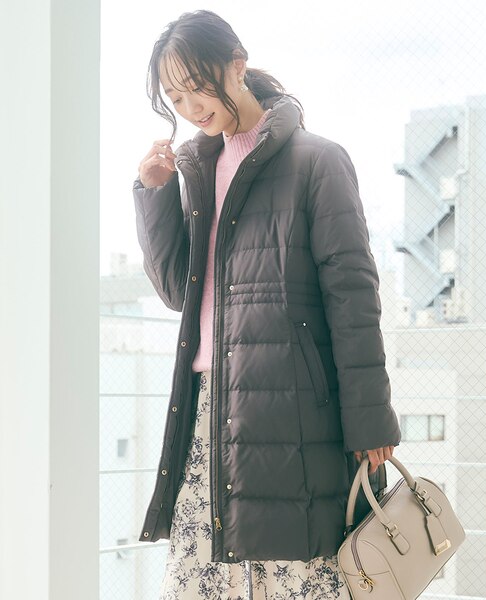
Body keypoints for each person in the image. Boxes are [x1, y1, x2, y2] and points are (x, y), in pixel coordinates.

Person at [133, 9, 401, 600]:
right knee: (199, 583)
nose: (190, 107)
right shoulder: (197, 168)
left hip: (293, 410)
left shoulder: (317, 161)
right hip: (207, 411)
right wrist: (154, 194)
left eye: (197, 86)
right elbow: (179, 290)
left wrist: (371, 419)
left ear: (237, 65)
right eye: (174, 98)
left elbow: (353, 297)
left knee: (297, 577)